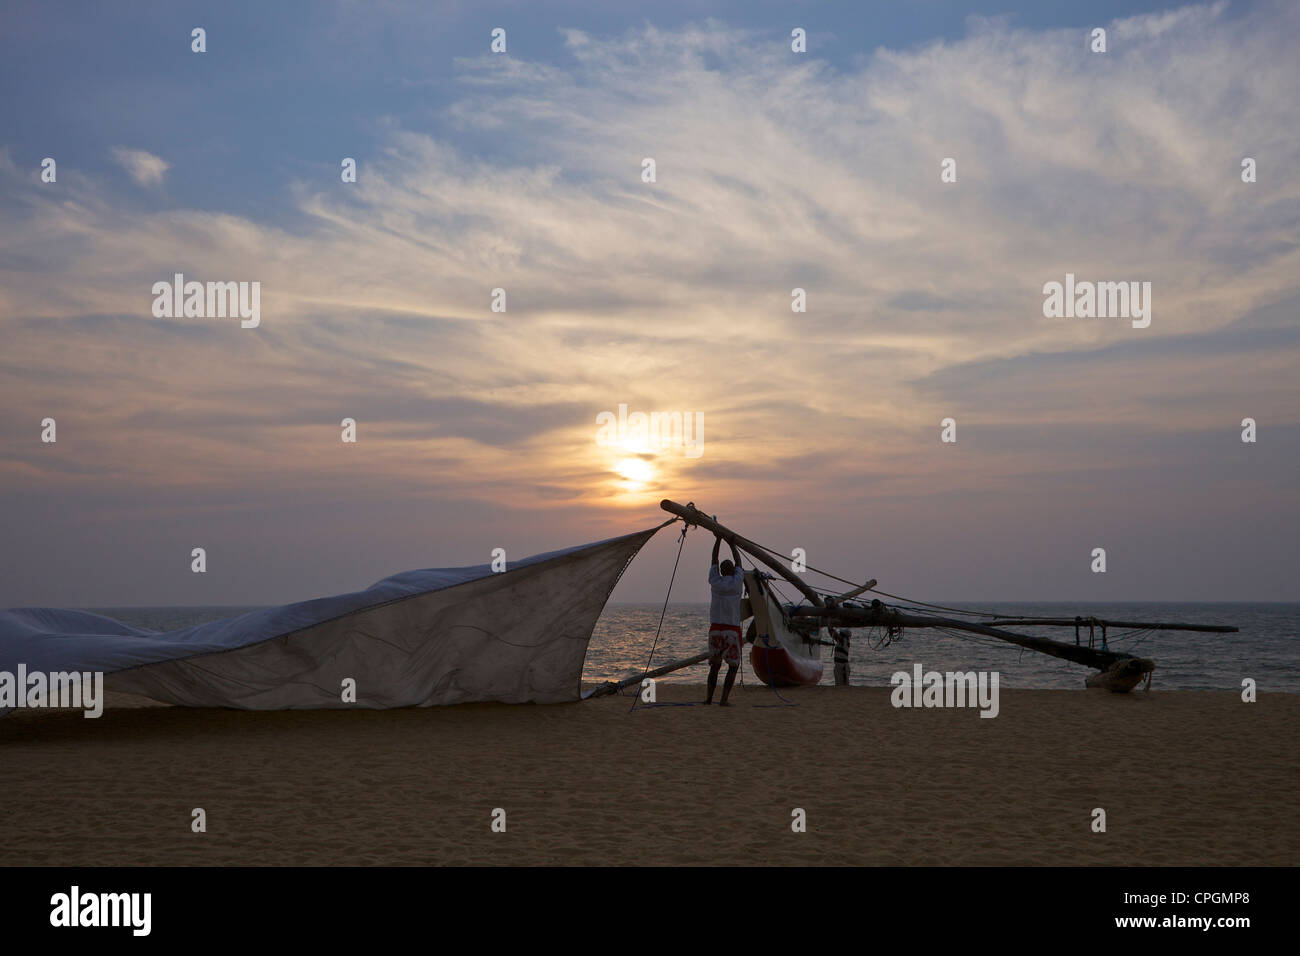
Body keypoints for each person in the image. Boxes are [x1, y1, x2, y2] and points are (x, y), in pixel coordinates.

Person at [705, 532, 745, 706]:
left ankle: (708, 699)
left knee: (715, 666)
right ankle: (723, 700)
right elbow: (739, 563)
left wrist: (718, 539)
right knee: (733, 666)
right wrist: (732, 543)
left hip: (715, 630)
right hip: (731, 630)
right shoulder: (737, 583)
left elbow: (714, 558)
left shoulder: (715, 581)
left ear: (721, 571)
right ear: (733, 571)